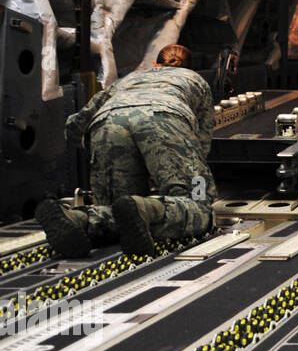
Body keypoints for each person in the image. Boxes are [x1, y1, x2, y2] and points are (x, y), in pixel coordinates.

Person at [36, 44, 217, 257]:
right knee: (200, 205)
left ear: (155, 64)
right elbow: (202, 141)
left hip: (106, 124)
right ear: (190, 68)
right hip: (163, 118)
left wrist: (90, 147)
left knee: (120, 209)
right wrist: (186, 171)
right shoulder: (196, 81)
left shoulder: (129, 79)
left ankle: (79, 219)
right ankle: (148, 208)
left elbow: (78, 123)